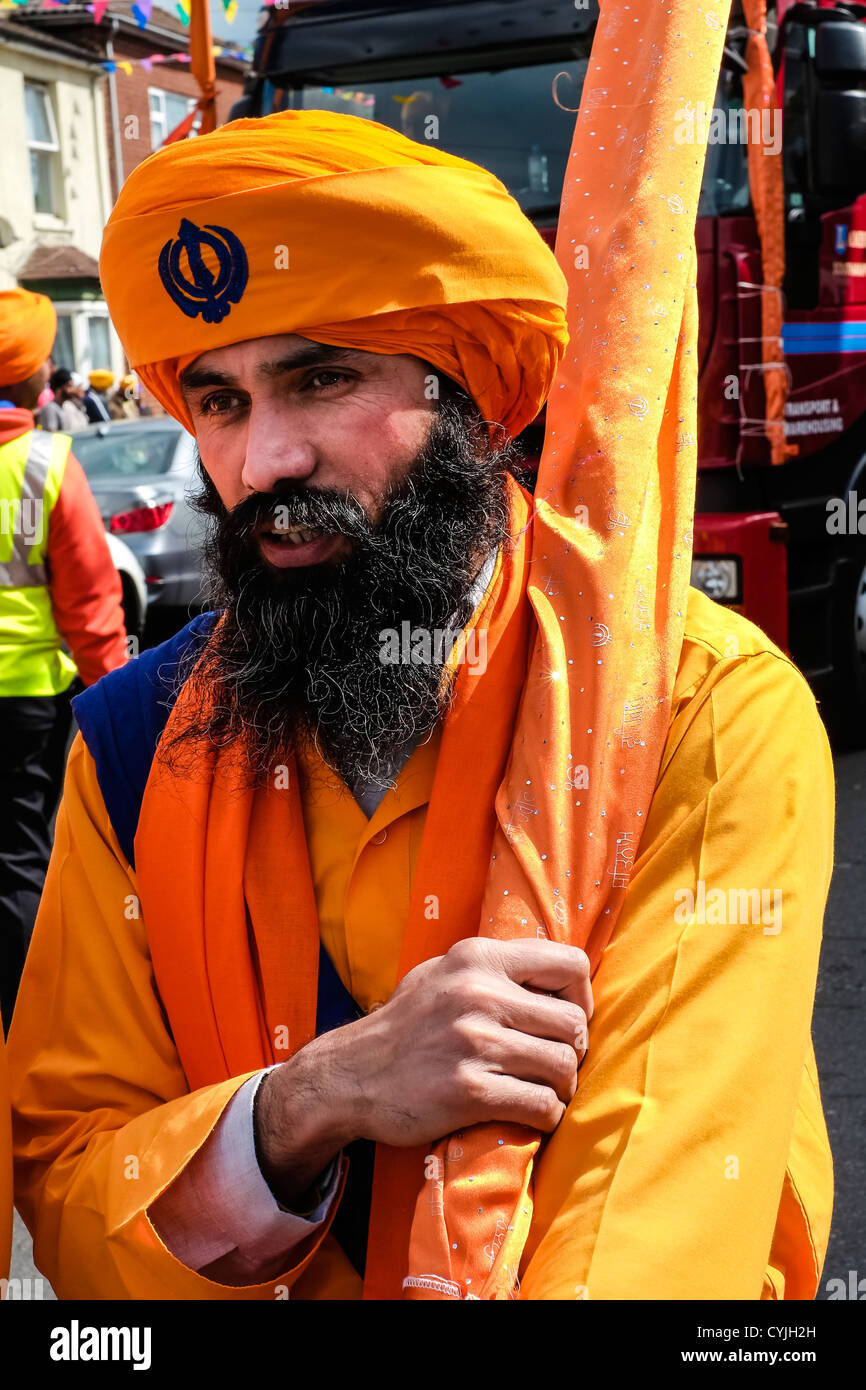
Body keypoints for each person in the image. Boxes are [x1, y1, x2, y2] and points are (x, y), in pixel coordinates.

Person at [9, 6, 834, 1302]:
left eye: (321, 380)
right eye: (218, 399)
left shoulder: (695, 708)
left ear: (463, 396)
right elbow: (66, 1189)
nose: (260, 460)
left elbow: (657, 1232)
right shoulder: (124, 743)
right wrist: (300, 1105)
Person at [0, 288, 128, 1033]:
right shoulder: (48, 463)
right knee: (19, 859)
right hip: (23, 698)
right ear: (32, 380)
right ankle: (26, 1022)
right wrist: (117, 706)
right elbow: (89, 605)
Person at [36, 367, 88, 434]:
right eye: (70, 386)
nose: (73, 390)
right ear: (60, 388)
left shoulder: (66, 405)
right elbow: (51, 436)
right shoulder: (50, 408)